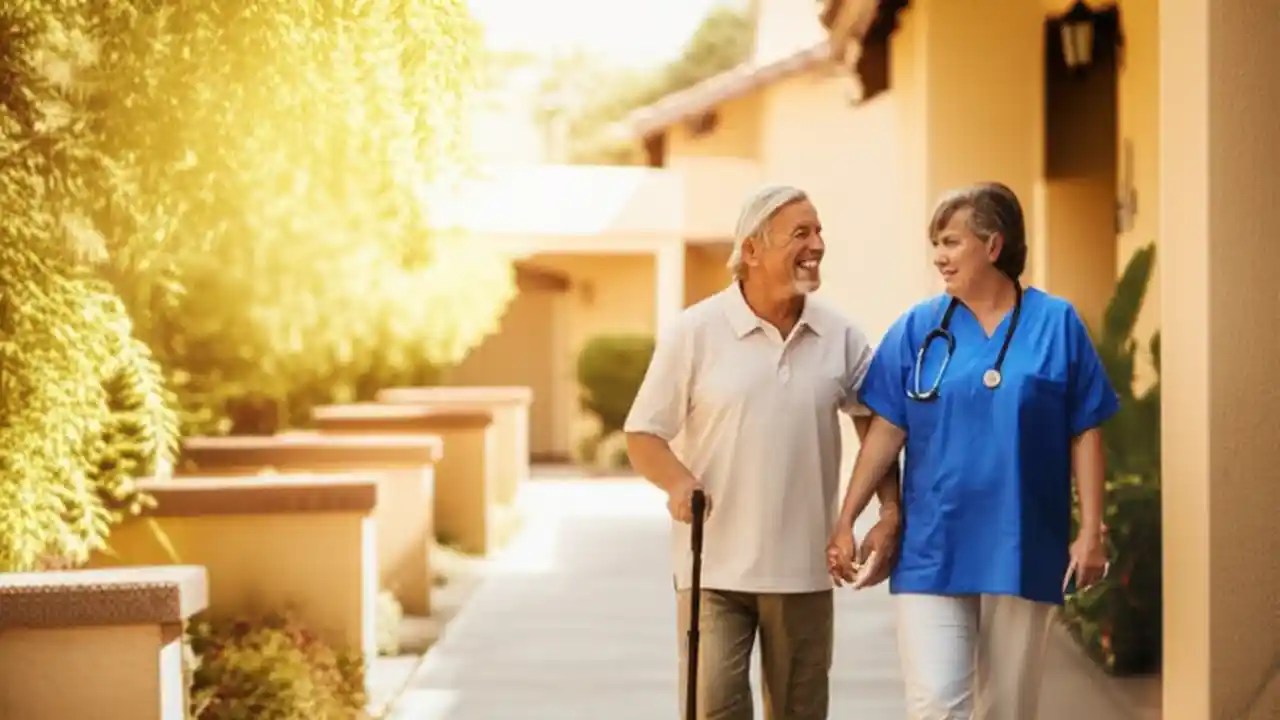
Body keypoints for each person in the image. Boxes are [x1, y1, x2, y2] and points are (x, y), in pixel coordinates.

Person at [826, 181, 1119, 720]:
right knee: (935, 702)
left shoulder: (1056, 324)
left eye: (951, 241)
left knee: (1007, 708)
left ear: (993, 245)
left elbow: (1086, 429)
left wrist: (1090, 530)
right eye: (935, 243)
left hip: (1022, 539)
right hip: (933, 542)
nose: (939, 256)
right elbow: (885, 433)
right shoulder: (918, 327)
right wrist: (848, 517)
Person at [625, 185, 901, 720]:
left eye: (819, 231)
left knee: (800, 712)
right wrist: (680, 482)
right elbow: (643, 434)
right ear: (751, 250)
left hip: (804, 569)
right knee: (715, 710)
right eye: (801, 233)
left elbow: (878, 430)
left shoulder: (840, 335)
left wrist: (888, 509)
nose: (817, 244)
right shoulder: (695, 332)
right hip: (713, 570)